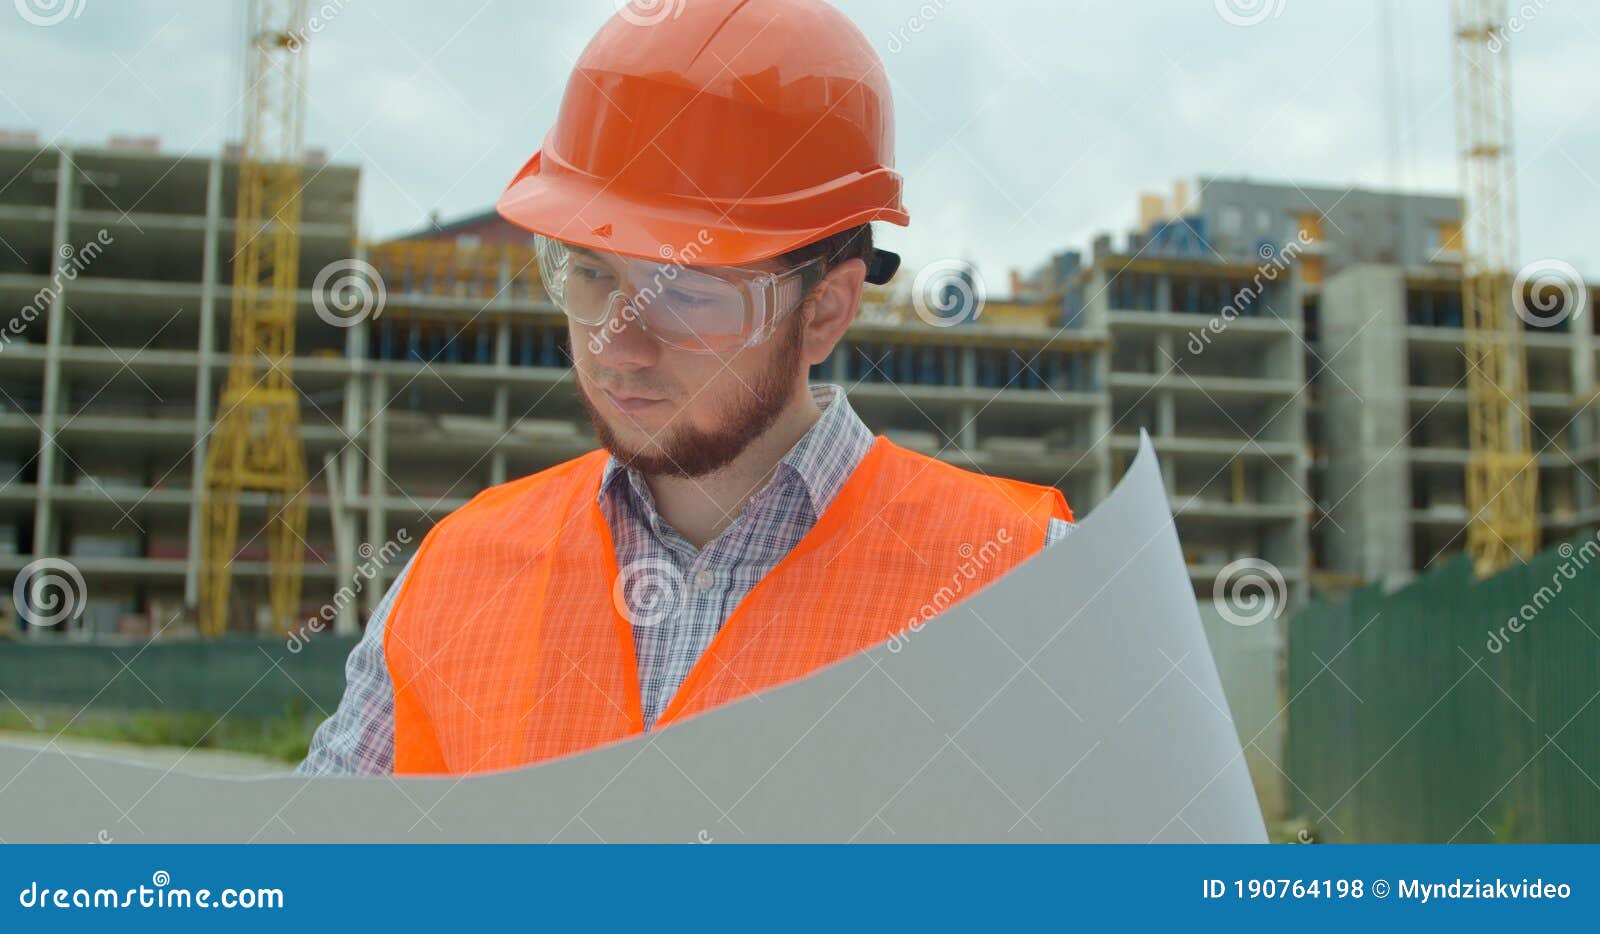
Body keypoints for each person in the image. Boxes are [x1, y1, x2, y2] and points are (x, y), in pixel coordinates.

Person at [298, 0, 1073, 776]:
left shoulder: (1017, 582)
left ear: (824, 310)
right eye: (593, 274)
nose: (620, 344)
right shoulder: (455, 576)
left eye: (691, 294)